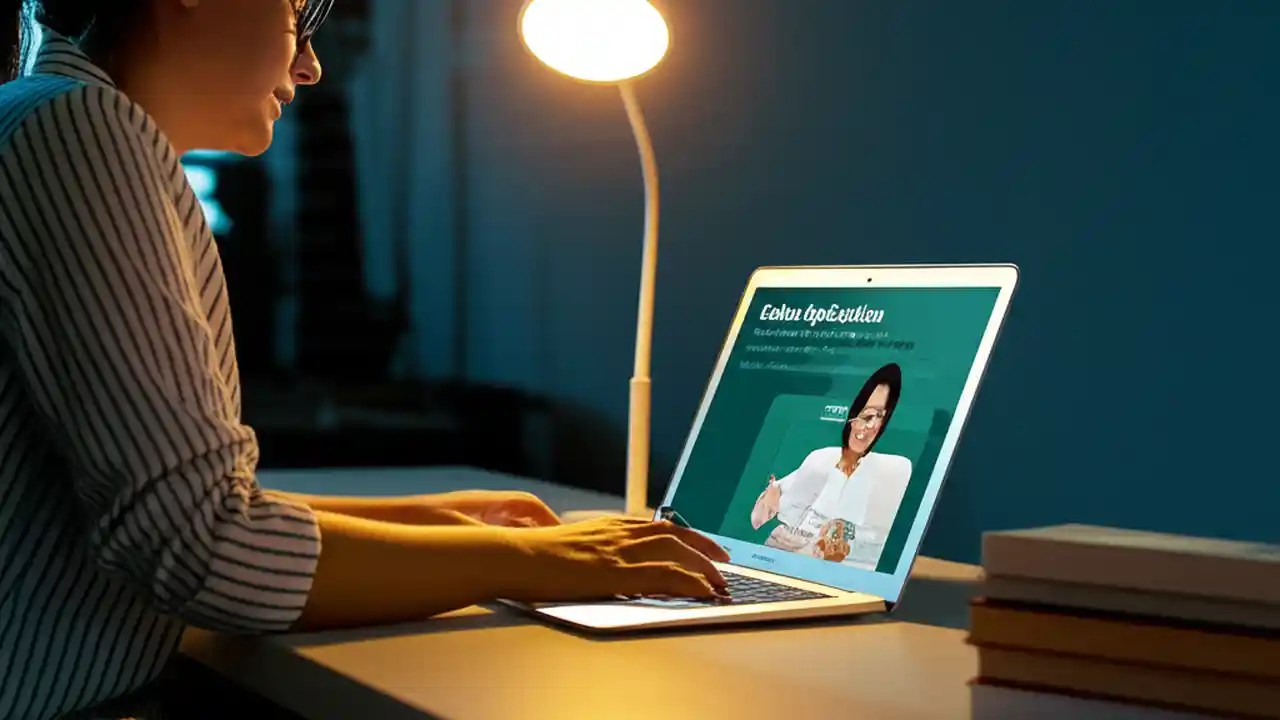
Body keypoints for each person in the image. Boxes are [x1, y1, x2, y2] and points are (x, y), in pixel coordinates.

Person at [0, 2, 728, 719]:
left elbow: (184, 503)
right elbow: (204, 547)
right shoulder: (83, 130)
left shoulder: (50, 115)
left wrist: (446, 521)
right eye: (298, 13)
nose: (309, 64)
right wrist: (552, 563)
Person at [749, 364, 912, 562]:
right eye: (864, 415)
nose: (868, 426)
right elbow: (760, 517)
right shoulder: (821, 458)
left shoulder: (896, 470)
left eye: (879, 417)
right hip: (782, 558)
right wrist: (772, 492)